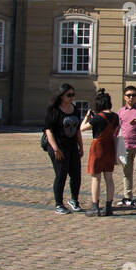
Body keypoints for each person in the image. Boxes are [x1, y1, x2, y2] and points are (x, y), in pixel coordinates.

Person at [44, 84, 83, 215]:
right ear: (61, 96)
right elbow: (48, 130)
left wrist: (81, 146)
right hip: (58, 146)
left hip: (72, 146)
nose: (72, 97)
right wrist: (55, 149)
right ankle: (59, 204)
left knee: (76, 174)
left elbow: (77, 129)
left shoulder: (75, 109)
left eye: (73, 94)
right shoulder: (53, 110)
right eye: (69, 95)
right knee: (61, 175)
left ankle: (74, 200)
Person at [83, 90, 120, 217]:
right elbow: (116, 131)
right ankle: (108, 206)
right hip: (110, 147)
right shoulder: (116, 117)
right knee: (109, 178)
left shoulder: (98, 117)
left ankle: (95, 206)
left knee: (96, 178)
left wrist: (87, 117)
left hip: (98, 147)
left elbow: (82, 128)